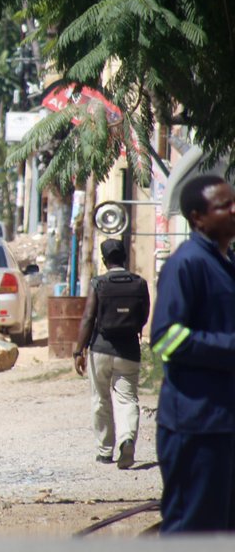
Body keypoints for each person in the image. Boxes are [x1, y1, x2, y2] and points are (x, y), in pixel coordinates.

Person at [149, 175, 235, 533]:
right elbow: (165, 338)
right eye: (224, 206)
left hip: (223, 422)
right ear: (198, 217)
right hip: (195, 426)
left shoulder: (224, 263)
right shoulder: (186, 264)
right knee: (191, 529)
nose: (234, 210)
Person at [72, 239, 150, 468]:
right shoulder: (139, 283)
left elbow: (88, 318)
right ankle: (127, 439)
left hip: (101, 349)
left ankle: (105, 450)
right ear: (125, 257)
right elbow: (144, 315)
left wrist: (79, 350)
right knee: (127, 399)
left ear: (105, 261)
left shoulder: (99, 284)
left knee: (101, 400)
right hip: (129, 351)